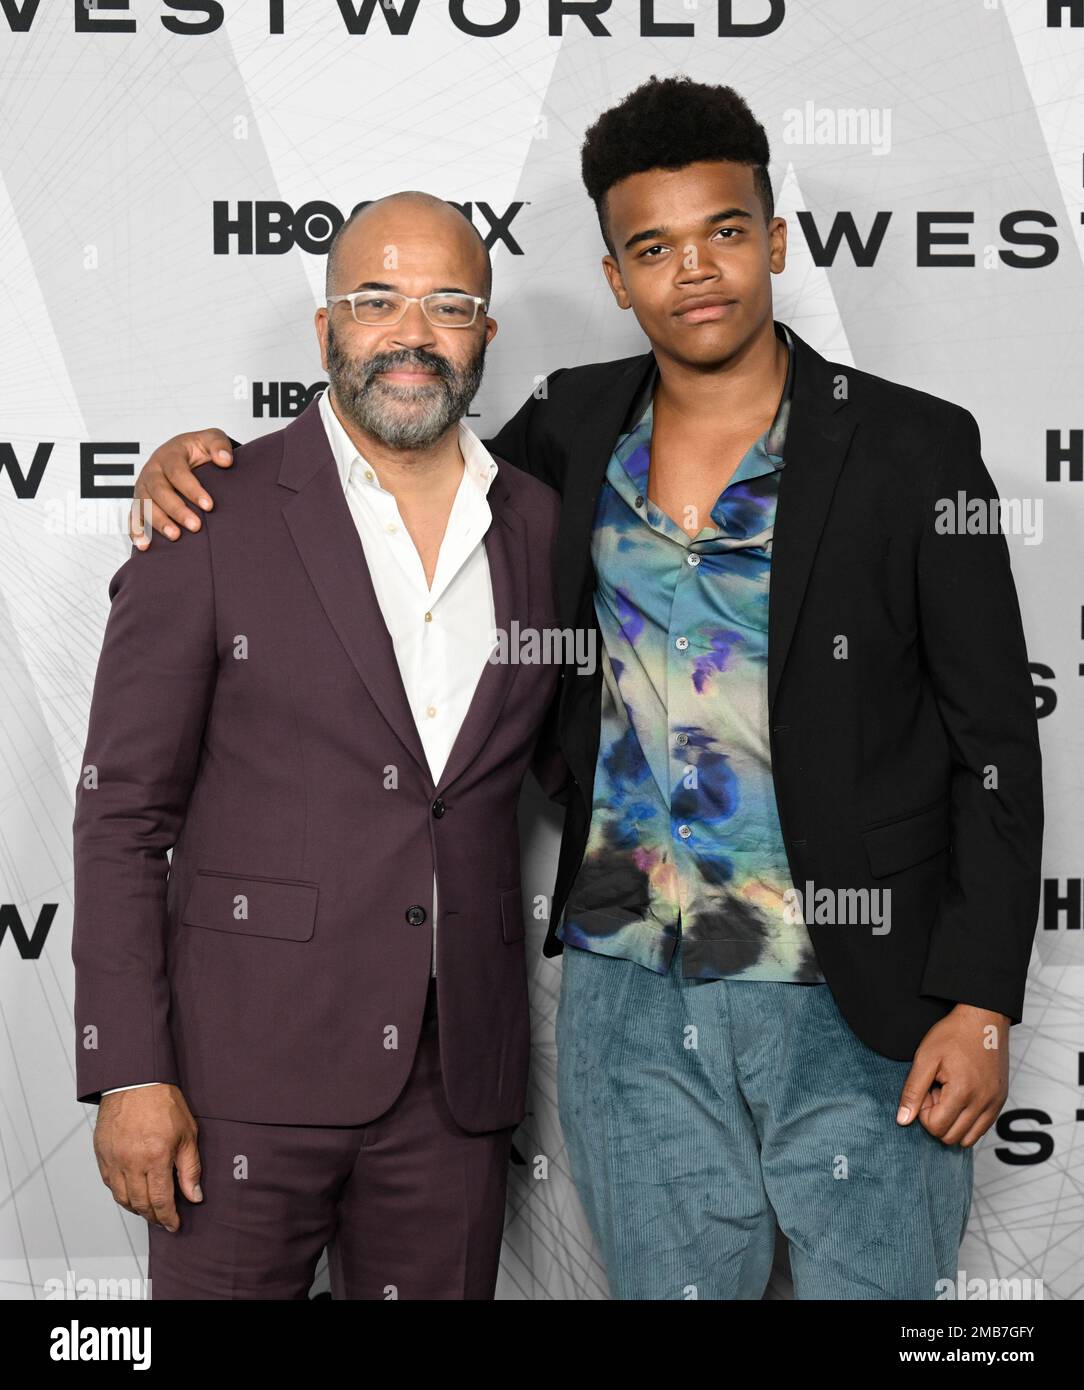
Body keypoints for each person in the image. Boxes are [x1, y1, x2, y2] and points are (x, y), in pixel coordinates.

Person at [127, 77, 1043, 1300]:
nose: (696, 271)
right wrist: (198, 459)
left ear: (775, 239)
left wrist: (979, 999)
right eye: (653, 248)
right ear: (616, 277)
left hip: (856, 998)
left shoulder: (915, 448)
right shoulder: (569, 430)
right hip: (629, 991)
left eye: (725, 231)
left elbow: (995, 742)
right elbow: (390, 456)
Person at [73, 191, 567, 1299]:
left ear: (485, 333)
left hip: (459, 1088)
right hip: (234, 1078)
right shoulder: (209, 511)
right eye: (375, 298)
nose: (411, 332)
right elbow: (121, 814)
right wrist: (129, 1073)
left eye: (448, 305)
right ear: (326, 328)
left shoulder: (536, 522)